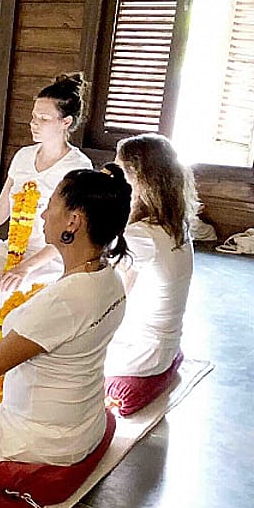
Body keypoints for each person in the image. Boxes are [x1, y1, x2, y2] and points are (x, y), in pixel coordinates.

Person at [0, 167, 131, 470]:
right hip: (85, 424)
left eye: (51, 205)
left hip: (41, 440)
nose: (42, 214)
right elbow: (34, 339)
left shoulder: (63, 300)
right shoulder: (110, 278)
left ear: (73, 221)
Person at [0, 73, 94, 310]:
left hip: (49, 259)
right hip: (10, 248)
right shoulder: (23, 156)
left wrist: (26, 268)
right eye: (34, 117)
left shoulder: (78, 167)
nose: (34, 124)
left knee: (2, 292)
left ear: (66, 122)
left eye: (44, 119)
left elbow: (70, 235)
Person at [104, 134, 196, 409]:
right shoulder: (174, 223)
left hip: (143, 352)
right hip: (164, 344)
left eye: (119, 169)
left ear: (139, 178)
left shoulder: (142, 235)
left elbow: (108, 299)